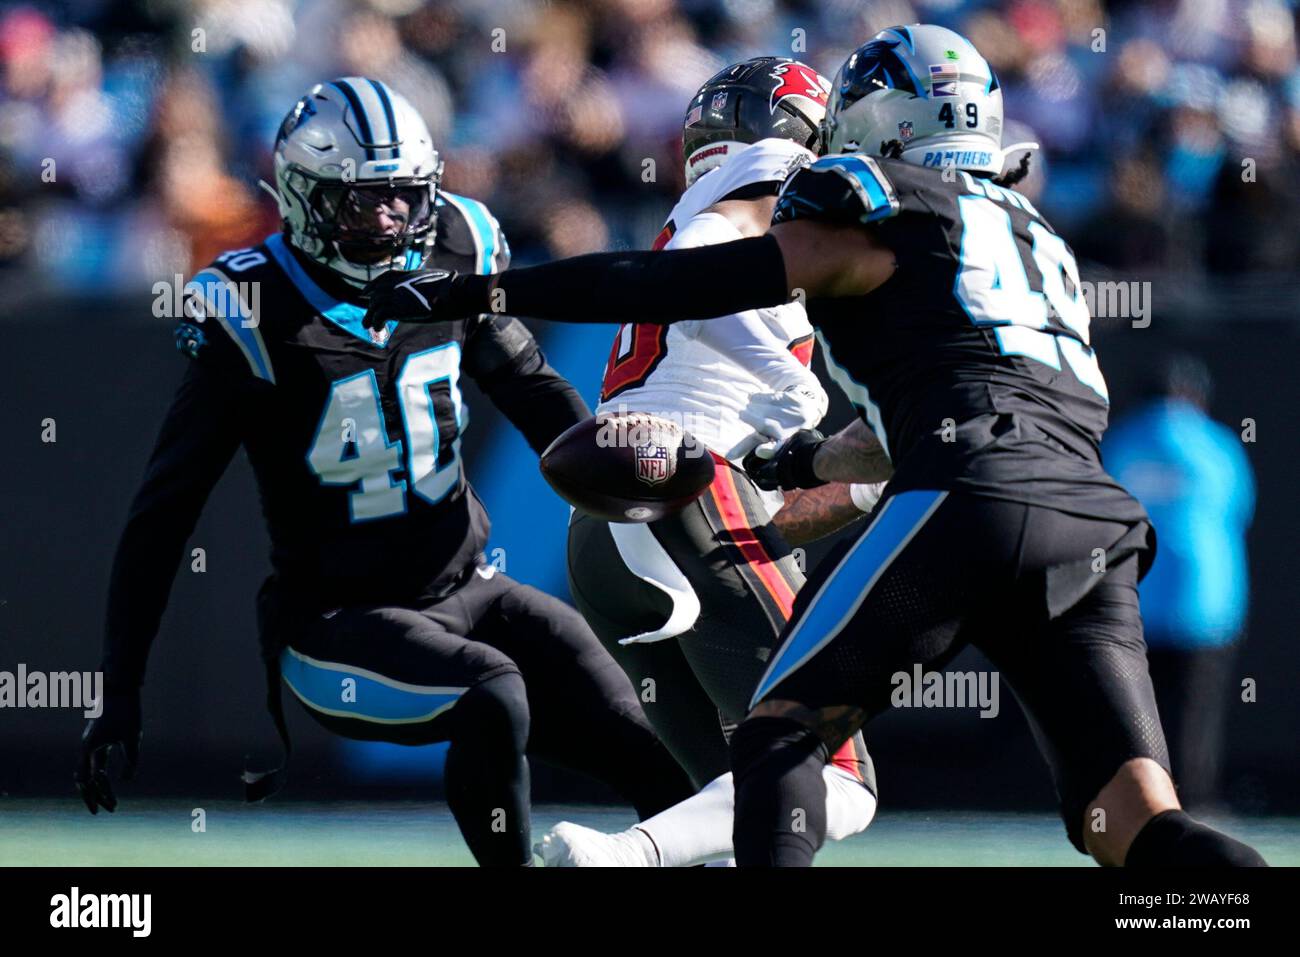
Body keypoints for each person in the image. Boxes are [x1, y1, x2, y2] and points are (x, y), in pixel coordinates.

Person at [362, 26, 1268, 868]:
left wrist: (487, 293)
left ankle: (632, 853)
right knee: (1133, 819)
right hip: (1092, 517)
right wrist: (797, 462)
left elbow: (676, 277)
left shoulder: (871, 200)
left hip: (970, 494)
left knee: (785, 738)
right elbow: (910, 426)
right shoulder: (1045, 247)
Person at [76, 77, 696, 867]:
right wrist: (120, 689)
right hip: (334, 625)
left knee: (643, 739)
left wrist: (613, 471)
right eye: (361, 203)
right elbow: (164, 513)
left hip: (469, 587)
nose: (387, 220)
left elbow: (530, 385)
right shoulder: (252, 306)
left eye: (402, 198)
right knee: (492, 693)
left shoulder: (457, 246)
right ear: (303, 197)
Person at [540, 58, 884, 867]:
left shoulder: (708, 201)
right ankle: (623, 856)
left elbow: (771, 508)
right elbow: (697, 262)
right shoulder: (770, 178)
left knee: (750, 811)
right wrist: (787, 378)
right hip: (686, 482)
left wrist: (867, 483)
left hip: (607, 529)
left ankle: (643, 852)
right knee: (836, 781)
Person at [1103, 354, 1255, 809]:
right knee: (1196, 714)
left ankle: (1141, 807)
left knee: (1135, 714)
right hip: (1206, 605)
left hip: (1134, 601)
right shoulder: (1218, 444)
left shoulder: (1122, 440)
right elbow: (1239, 508)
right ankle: (1196, 805)